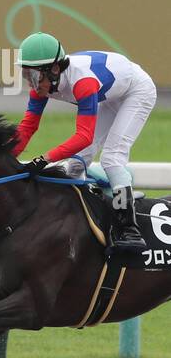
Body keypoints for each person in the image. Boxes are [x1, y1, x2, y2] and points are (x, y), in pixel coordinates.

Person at [13, 31, 154, 253]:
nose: (31, 84)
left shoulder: (83, 82)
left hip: (136, 92)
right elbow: (28, 127)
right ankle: (102, 197)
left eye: (34, 76)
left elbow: (83, 136)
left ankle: (129, 230)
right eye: (26, 76)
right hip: (108, 96)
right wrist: (6, 157)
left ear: (55, 68)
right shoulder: (42, 85)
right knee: (78, 162)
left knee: (112, 158)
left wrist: (44, 159)